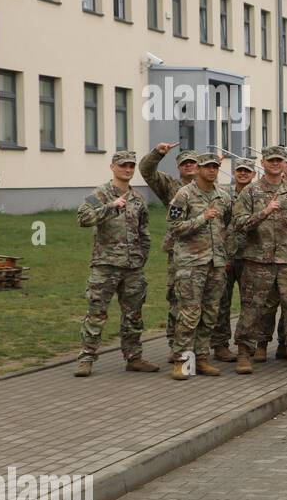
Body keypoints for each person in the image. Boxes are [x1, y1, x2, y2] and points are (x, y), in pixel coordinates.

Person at [230, 146, 287, 374]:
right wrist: (265, 212)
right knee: (252, 309)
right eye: (271, 160)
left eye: (279, 160)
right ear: (263, 161)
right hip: (258, 262)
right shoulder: (250, 192)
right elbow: (239, 224)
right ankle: (244, 353)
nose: (276, 163)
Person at [75, 150, 158, 377]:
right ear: (112, 167)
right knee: (96, 313)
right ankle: (86, 358)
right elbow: (82, 219)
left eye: (131, 166)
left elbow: (144, 232)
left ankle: (134, 357)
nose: (128, 170)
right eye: (123, 166)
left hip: (133, 268)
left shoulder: (138, 198)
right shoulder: (100, 194)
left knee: (134, 314)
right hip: (105, 265)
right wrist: (110, 207)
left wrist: (141, 258)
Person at [166, 152, 231, 379]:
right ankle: (182, 360)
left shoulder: (222, 196)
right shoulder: (183, 195)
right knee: (189, 313)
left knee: (210, 313)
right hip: (191, 263)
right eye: (207, 167)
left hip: (216, 262)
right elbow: (174, 226)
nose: (212, 170)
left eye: (215, 167)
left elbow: (227, 225)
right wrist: (202, 218)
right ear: (198, 170)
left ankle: (202, 358)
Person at [139, 143, 197, 356]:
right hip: (179, 251)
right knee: (176, 297)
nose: (189, 166)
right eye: (185, 163)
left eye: (193, 162)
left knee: (206, 300)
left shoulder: (212, 186)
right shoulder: (171, 186)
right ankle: (176, 345)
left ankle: (203, 347)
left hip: (207, 252)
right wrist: (157, 153)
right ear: (179, 167)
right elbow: (146, 171)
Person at [209, 157, 256, 362]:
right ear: (234, 173)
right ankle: (220, 344)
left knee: (250, 303)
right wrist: (222, 253)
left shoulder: (258, 195)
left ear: (254, 174)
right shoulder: (224, 195)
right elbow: (218, 226)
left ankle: (246, 345)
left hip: (250, 256)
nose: (243, 174)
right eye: (240, 170)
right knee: (222, 302)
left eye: (247, 171)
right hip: (227, 257)